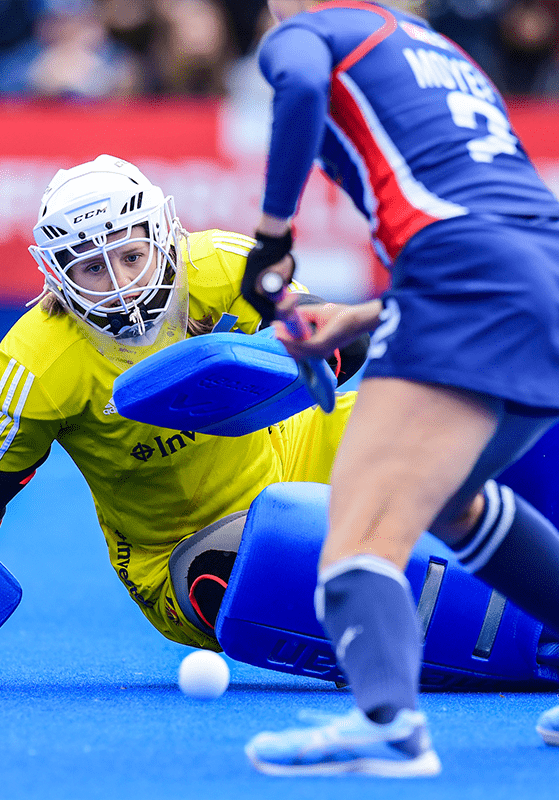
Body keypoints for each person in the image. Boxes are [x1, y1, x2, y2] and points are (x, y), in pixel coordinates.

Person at [239, 0, 559, 777]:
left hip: (463, 286)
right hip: (539, 281)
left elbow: (303, 86)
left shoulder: (308, 34)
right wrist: (360, 317)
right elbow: (498, 221)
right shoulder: (440, 50)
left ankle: (388, 722)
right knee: (457, 503)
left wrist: (273, 238)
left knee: (360, 525)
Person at [0, 153, 361, 655]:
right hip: (183, 551)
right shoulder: (37, 362)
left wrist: (261, 363)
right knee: (252, 567)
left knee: (429, 429)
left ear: (165, 236)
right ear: (58, 274)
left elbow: (346, 343)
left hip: (298, 451)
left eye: (131, 256)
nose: (122, 285)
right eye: (93, 268)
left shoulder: (221, 265)